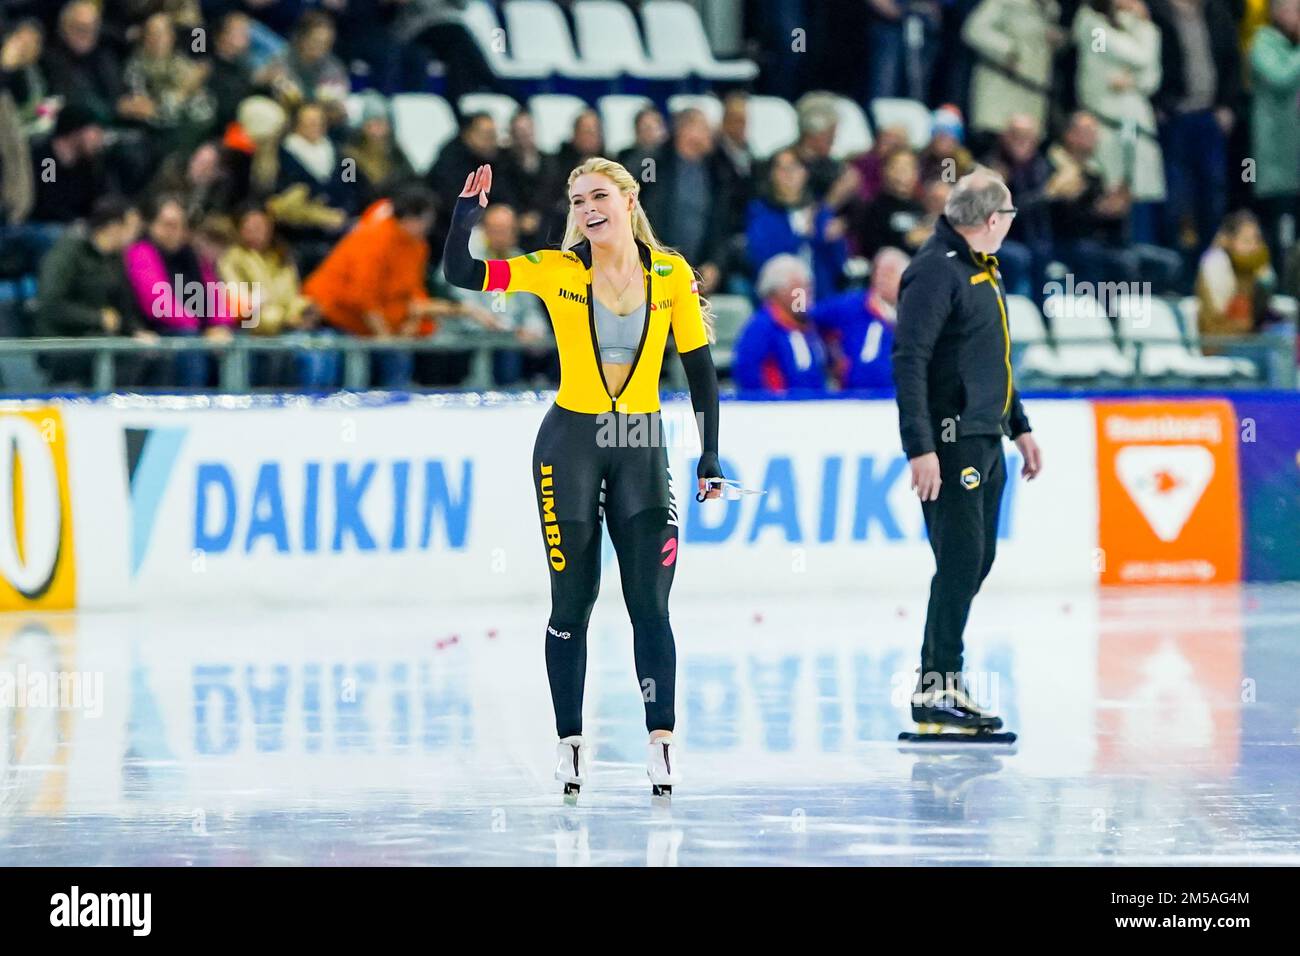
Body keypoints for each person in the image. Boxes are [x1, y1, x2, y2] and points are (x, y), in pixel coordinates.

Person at [442, 158, 724, 797]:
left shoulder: (670, 274)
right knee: (574, 599)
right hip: (570, 444)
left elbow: (700, 372)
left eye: (598, 196)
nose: (587, 209)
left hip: (642, 445)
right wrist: (466, 216)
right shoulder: (555, 269)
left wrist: (710, 454)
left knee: (650, 604)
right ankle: (570, 742)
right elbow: (460, 273)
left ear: (629, 199)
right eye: (576, 201)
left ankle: (662, 743)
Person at [891, 168, 1043, 739]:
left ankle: (938, 685)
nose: (1009, 227)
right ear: (990, 219)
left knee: (974, 562)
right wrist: (921, 447)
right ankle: (938, 686)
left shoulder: (982, 268)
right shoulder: (934, 271)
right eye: (1007, 216)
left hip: (985, 435)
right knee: (959, 560)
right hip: (952, 444)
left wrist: (1019, 425)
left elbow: (990, 359)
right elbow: (909, 362)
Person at [35, 195, 156, 386]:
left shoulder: (115, 259)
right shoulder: (67, 253)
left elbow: (123, 304)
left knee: (157, 355)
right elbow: (51, 304)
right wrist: (97, 318)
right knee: (128, 357)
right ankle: (113, 409)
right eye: (133, 228)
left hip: (101, 337)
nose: (136, 235)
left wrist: (136, 331)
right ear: (114, 227)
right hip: (63, 341)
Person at [813, 247, 910, 390]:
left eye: (890, 272)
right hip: (854, 400)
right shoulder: (851, 305)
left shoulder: (922, 313)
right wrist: (831, 355)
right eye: (878, 271)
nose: (882, 277)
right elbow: (807, 316)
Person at [732, 254, 829, 393]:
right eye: (800, 289)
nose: (807, 295)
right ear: (779, 291)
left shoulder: (809, 327)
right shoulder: (760, 329)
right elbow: (750, 375)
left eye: (809, 288)